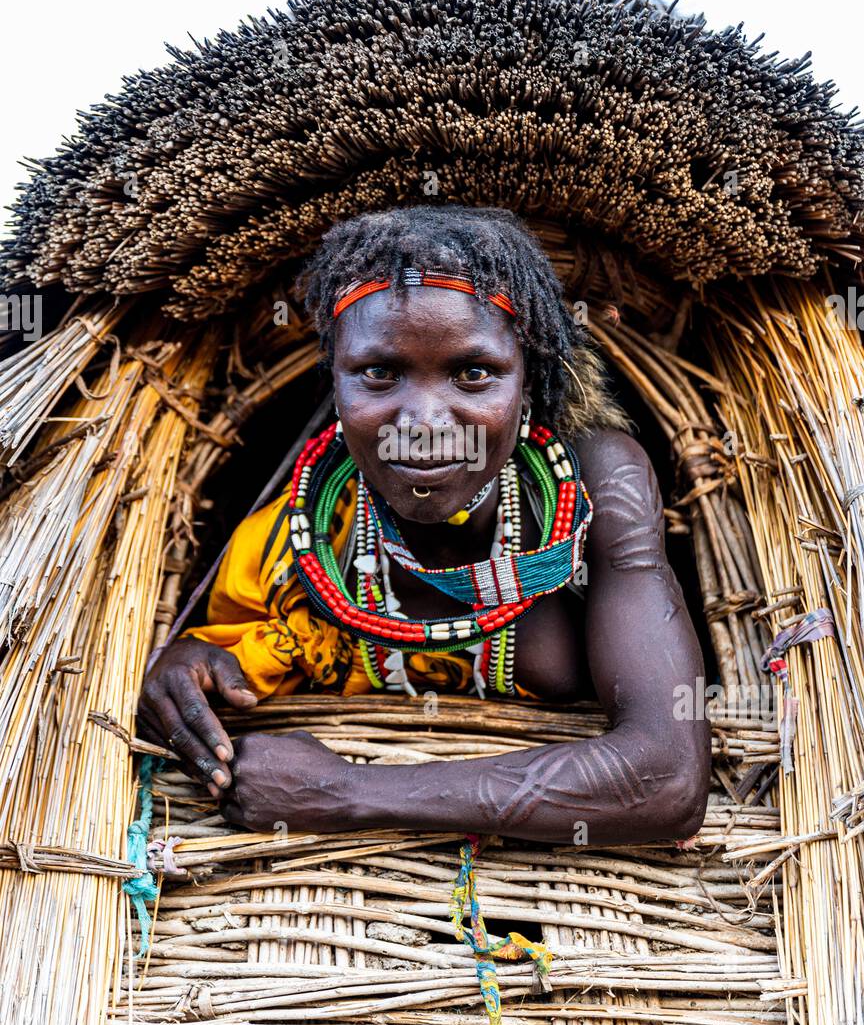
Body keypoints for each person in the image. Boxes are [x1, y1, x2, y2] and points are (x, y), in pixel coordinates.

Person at [137, 205, 710, 846]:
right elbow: (235, 661)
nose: (425, 422)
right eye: (380, 373)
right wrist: (186, 666)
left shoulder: (602, 487)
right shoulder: (284, 547)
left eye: (474, 373)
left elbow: (667, 780)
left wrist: (350, 794)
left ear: (531, 379)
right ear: (335, 382)